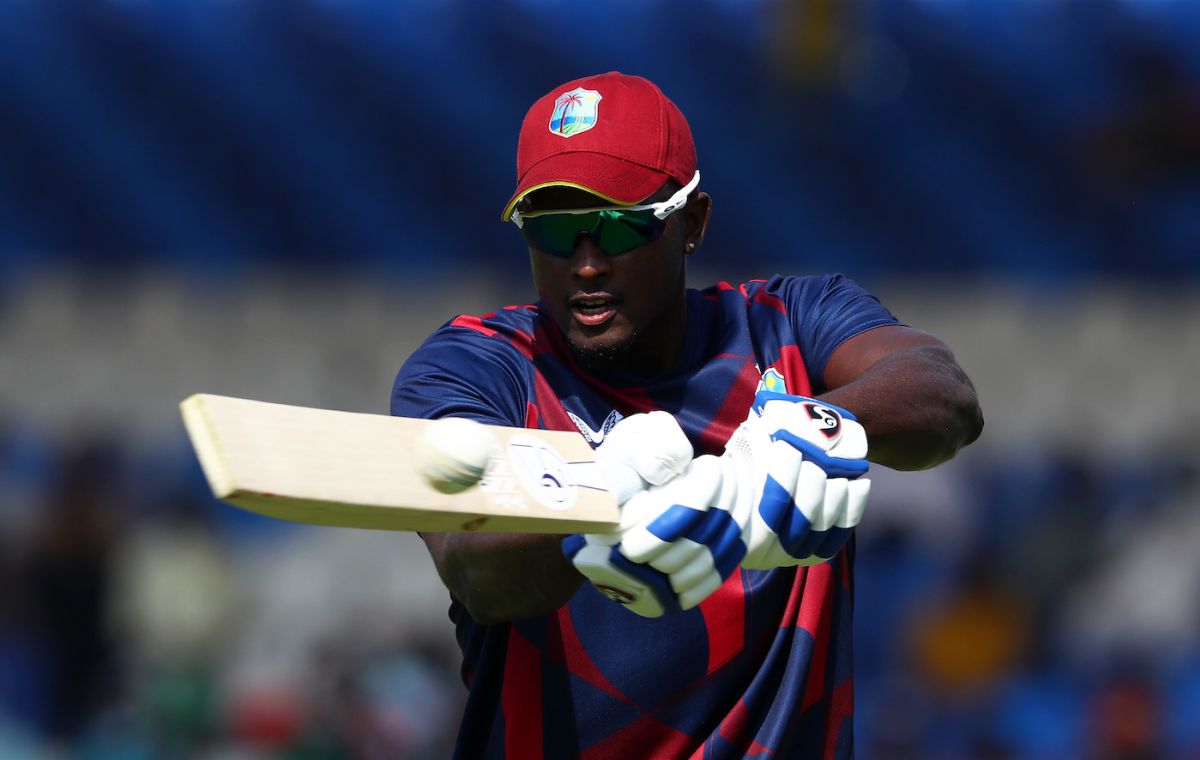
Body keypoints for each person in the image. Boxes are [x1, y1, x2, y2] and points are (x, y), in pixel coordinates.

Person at [391, 71, 983, 759]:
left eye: (618, 227)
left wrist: (794, 436)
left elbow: (944, 397)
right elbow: (476, 572)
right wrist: (602, 500)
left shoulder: (789, 324)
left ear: (692, 223)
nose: (586, 264)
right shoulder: (476, 367)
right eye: (553, 230)